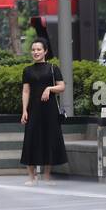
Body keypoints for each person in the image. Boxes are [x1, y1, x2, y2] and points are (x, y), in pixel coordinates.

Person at [20, 38, 67, 185]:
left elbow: (62, 87)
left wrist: (49, 88)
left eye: (39, 49)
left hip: (50, 110)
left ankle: (47, 176)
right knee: (30, 139)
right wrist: (24, 111)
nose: (36, 52)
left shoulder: (53, 68)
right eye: (33, 50)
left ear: (45, 51)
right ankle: (31, 176)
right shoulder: (27, 70)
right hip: (33, 109)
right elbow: (26, 91)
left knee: (49, 139)